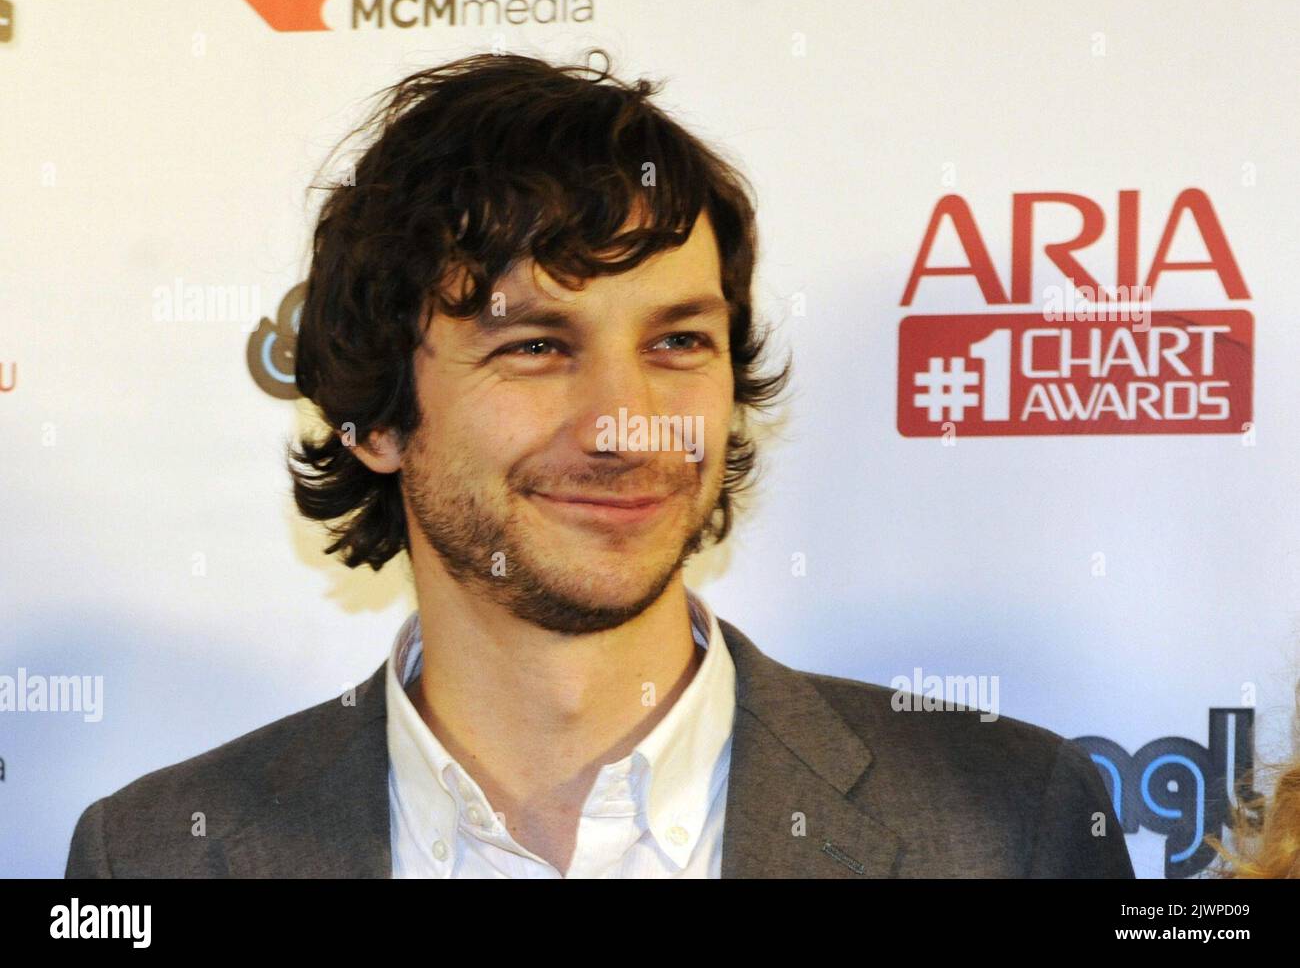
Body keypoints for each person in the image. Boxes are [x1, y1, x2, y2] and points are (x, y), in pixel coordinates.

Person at [65, 51, 1133, 879]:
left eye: (676, 343)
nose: (628, 424)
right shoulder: (160, 853)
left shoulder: (1011, 822)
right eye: (534, 346)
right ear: (377, 418)